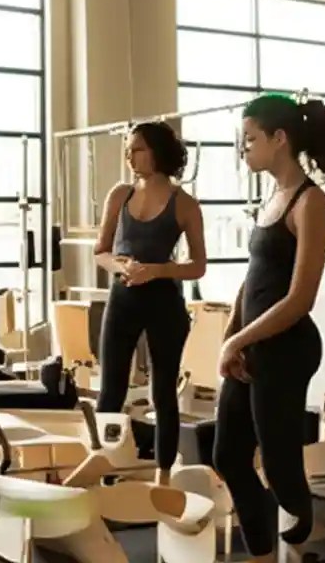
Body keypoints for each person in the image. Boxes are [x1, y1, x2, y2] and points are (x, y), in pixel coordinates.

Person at [211, 93, 325, 562]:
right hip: (252, 345)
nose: (243, 149)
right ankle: (263, 553)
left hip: (287, 347)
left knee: (280, 467)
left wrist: (239, 338)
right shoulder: (271, 198)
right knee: (227, 456)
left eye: (250, 139)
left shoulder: (312, 203)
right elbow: (254, 276)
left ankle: (297, 506)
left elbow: (299, 297)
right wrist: (232, 330)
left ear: (279, 139)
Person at [92, 121, 207, 483]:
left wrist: (156, 271)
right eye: (128, 148)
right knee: (111, 389)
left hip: (164, 304)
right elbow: (101, 251)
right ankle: (98, 470)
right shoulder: (119, 195)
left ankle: (164, 476)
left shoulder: (184, 204)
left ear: (157, 152)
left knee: (163, 393)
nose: (129, 155)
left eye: (137, 148)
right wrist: (119, 264)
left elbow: (198, 266)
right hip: (123, 298)